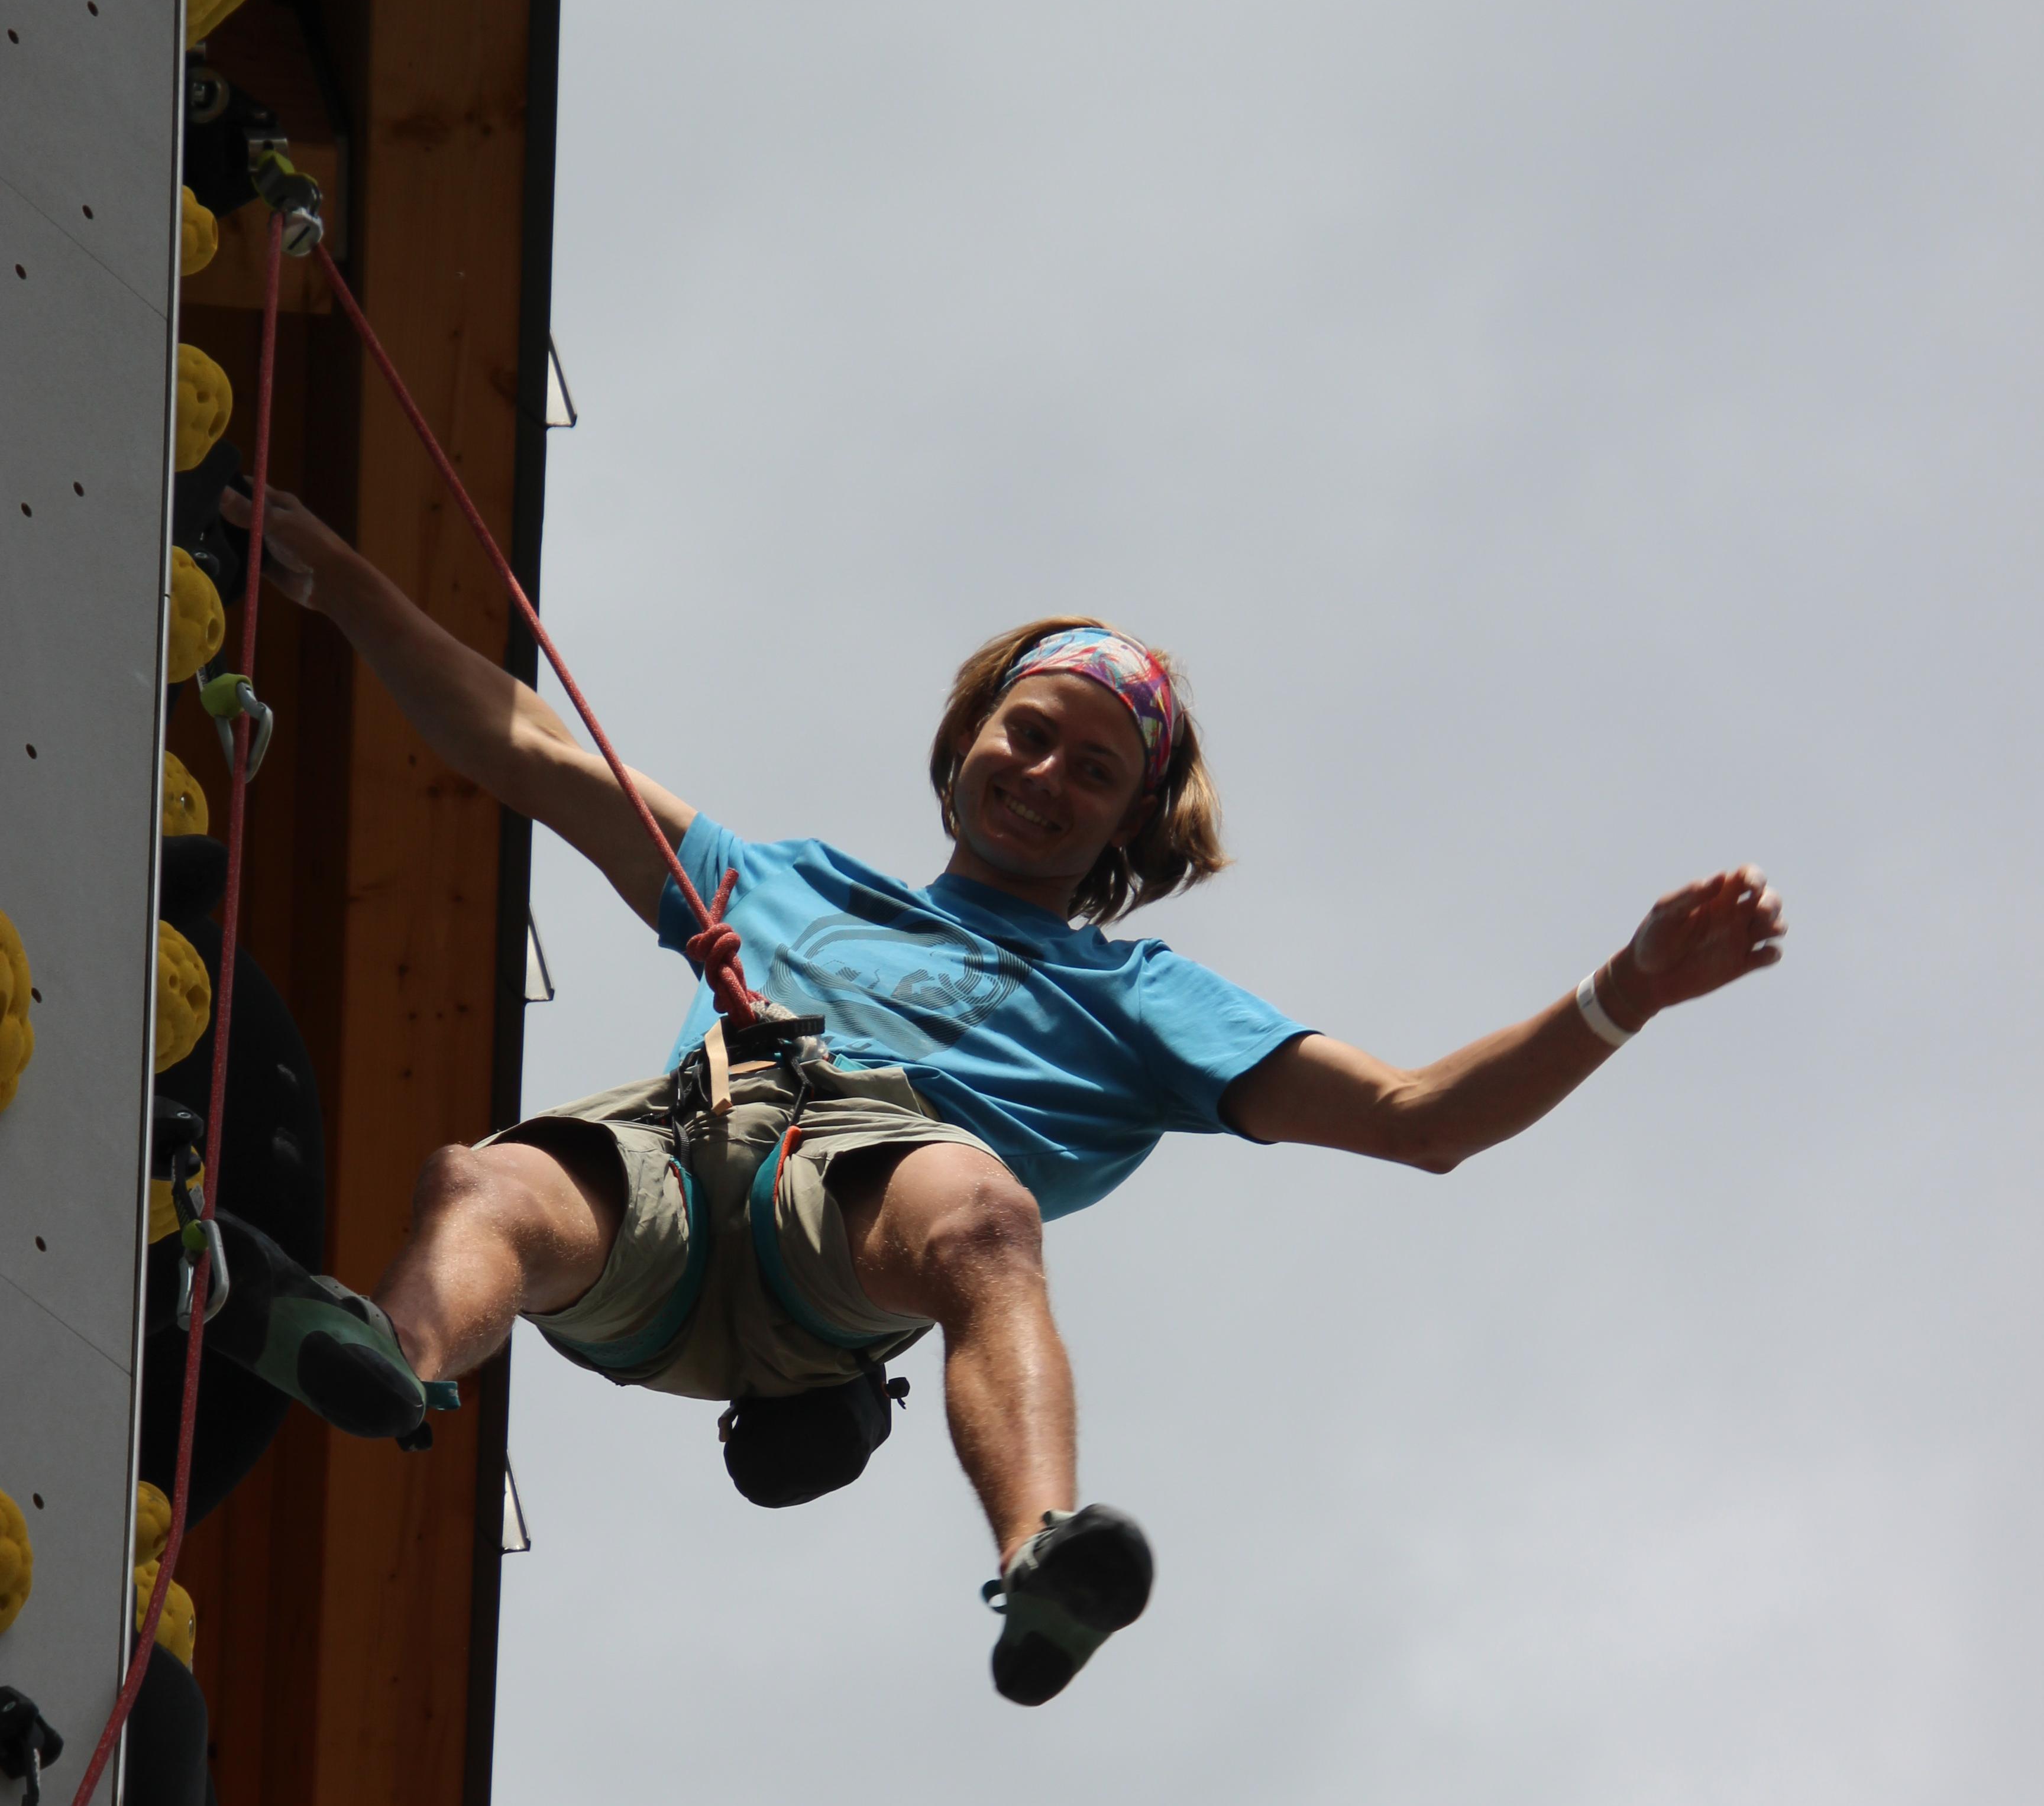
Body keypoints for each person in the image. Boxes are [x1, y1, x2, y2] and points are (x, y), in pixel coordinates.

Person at [212, 487, 1786, 1704]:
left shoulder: (1139, 1001)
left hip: (855, 1253)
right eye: (1028, 737)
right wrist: (341, 583)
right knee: (485, 1179)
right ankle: (392, 1360)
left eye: (1093, 773)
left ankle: (1043, 1554)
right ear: (968, 740)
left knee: (979, 1206)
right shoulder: (789, 882)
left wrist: (1625, 989)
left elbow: (1424, 1116)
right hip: (676, 1205)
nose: (1045, 775)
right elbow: (523, 743)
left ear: (1125, 832)